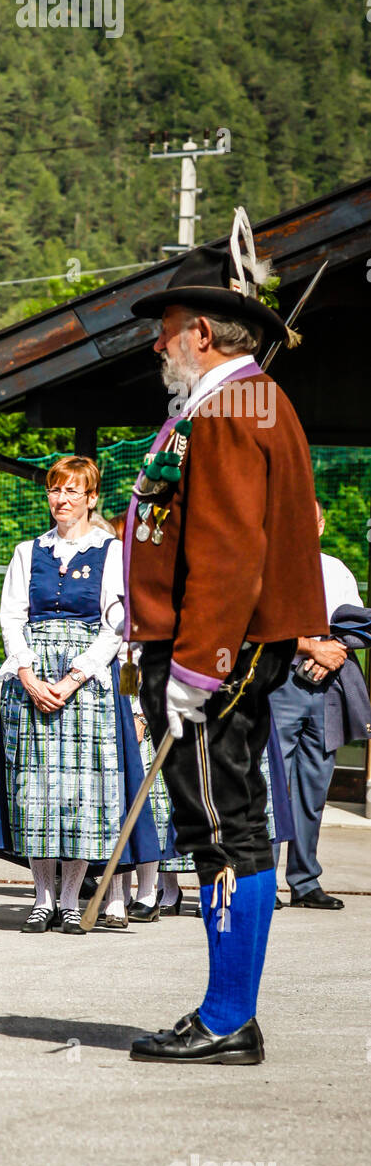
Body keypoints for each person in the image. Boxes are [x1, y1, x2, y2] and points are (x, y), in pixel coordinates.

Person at [125, 209, 327, 1064]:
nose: (157, 346)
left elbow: (228, 547)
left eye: (167, 330)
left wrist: (197, 663)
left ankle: (224, 1017)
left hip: (218, 654)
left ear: (201, 331)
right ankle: (224, 1010)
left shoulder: (229, 404)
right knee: (224, 824)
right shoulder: (236, 395)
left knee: (221, 828)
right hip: (215, 648)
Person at [0, 457, 161, 933]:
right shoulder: (30, 551)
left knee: (80, 797)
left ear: (91, 498)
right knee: (37, 795)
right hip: (33, 680)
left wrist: (72, 678)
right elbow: (11, 617)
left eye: (72, 492)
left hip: (84, 685)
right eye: (55, 491)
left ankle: (71, 899)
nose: (61, 500)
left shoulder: (111, 551)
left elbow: (116, 628)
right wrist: (25, 672)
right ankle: (42, 897)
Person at [268, 499, 363, 910]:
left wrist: (334, 651)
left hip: (328, 688)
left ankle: (305, 882)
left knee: (313, 789)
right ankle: (262, 885)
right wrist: (309, 647)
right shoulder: (267, 565)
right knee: (271, 786)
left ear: (322, 525)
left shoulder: (336, 568)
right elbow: (260, 626)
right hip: (279, 683)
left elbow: (356, 621)